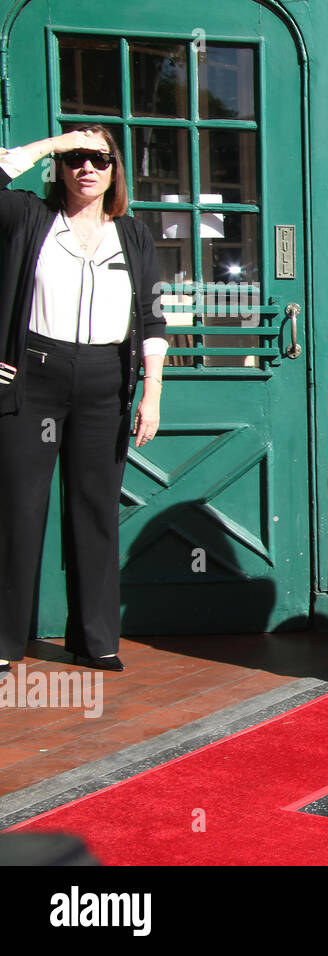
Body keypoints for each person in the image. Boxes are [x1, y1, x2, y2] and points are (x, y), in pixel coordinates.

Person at [0, 127, 166, 675]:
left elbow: (152, 323)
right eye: (74, 159)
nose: (86, 168)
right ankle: (4, 641)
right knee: (19, 510)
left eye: (98, 158)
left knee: (96, 510)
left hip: (105, 381)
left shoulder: (134, 236)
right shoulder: (30, 217)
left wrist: (153, 394)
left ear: (115, 169)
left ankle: (95, 639)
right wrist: (50, 142)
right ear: (61, 167)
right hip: (36, 375)